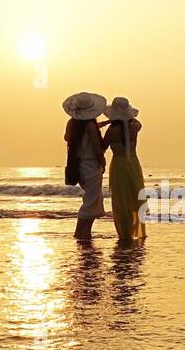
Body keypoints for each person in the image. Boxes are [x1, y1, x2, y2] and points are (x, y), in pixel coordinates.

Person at [100, 96, 146, 244]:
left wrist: (104, 124)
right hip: (133, 164)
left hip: (119, 166)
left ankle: (124, 233)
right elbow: (137, 123)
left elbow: (102, 147)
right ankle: (135, 230)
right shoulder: (135, 126)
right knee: (134, 197)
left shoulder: (111, 131)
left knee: (121, 200)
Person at [62, 92, 107, 240]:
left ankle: (84, 233)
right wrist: (102, 160)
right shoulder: (89, 126)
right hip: (91, 166)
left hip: (79, 165)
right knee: (91, 202)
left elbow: (68, 137)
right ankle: (80, 233)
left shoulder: (73, 123)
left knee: (91, 200)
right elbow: (96, 146)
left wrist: (104, 124)